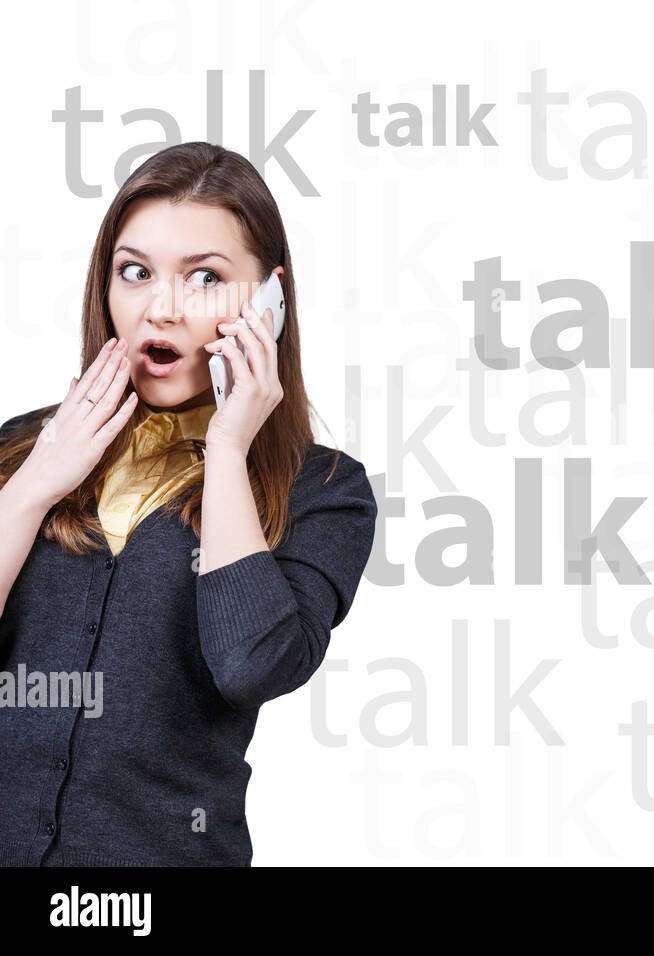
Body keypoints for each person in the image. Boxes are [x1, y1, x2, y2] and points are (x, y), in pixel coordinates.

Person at [0, 141, 378, 866]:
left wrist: (232, 449)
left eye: (204, 277)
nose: (160, 310)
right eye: (134, 272)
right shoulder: (22, 451)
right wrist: (35, 485)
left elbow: (251, 666)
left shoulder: (324, 490)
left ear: (271, 295)